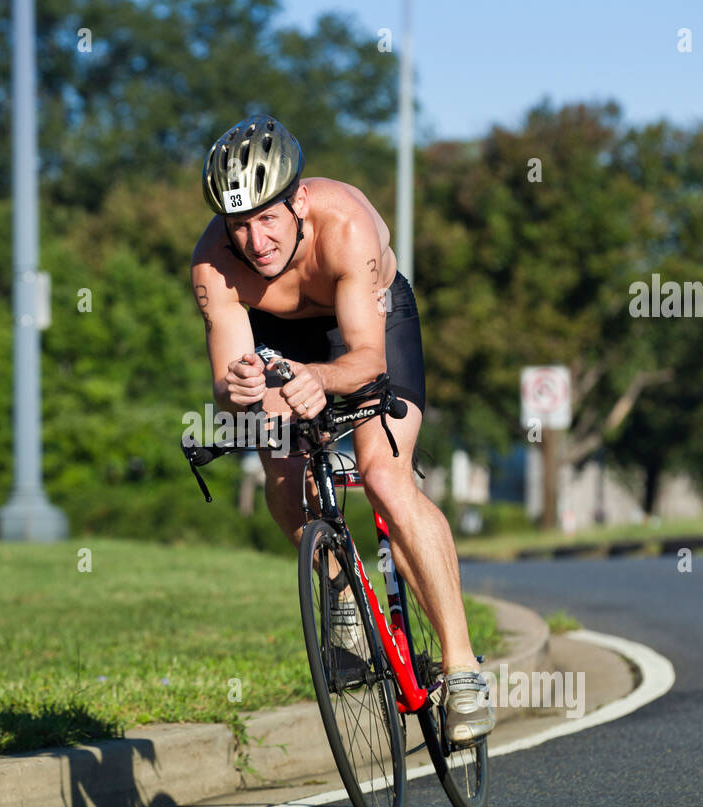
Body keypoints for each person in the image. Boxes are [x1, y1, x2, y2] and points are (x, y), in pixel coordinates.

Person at [190, 114, 493, 742]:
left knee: (385, 477)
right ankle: (342, 593)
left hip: (368, 323)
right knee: (281, 467)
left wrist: (317, 380)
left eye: (268, 217)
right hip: (282, 337)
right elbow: (226, 386)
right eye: (238, 224)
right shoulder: (213, 265)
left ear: (299, 199)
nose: (255, 240)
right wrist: (243, 391)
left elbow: (366, 359)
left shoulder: (346, 225)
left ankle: (462, 668)